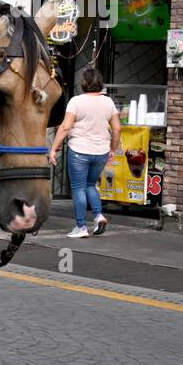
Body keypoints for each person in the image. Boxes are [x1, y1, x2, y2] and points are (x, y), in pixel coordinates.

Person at [49, 67, 121, 239]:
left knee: (78, 188)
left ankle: (81, 227)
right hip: (101, 151)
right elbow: (117, 129)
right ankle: (98, 216)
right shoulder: (108, 102)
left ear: (83, 83)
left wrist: (53, 148)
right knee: (90, 185)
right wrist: (112, 149)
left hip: (79, 150)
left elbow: (65, 127)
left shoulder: (76, 101)